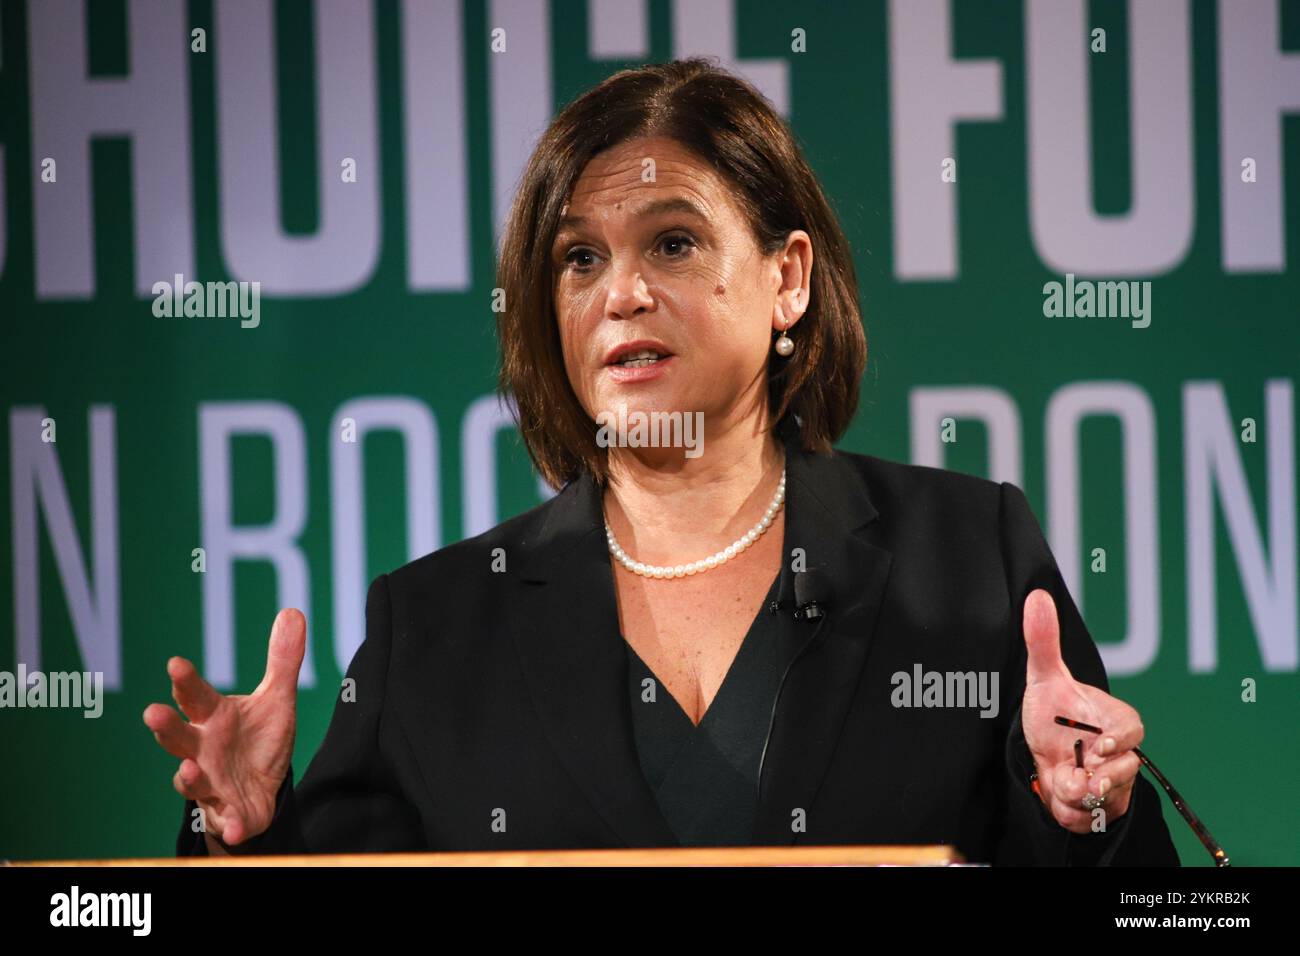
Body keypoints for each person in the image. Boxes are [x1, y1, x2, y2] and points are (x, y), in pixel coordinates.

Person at [144, 57, 1179, 865]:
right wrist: (243, 838)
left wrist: (1083, 816)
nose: (620, 293)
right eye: (579, 257)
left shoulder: (967, 560)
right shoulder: (437, 627)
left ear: (788, 279)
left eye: (672, 243)